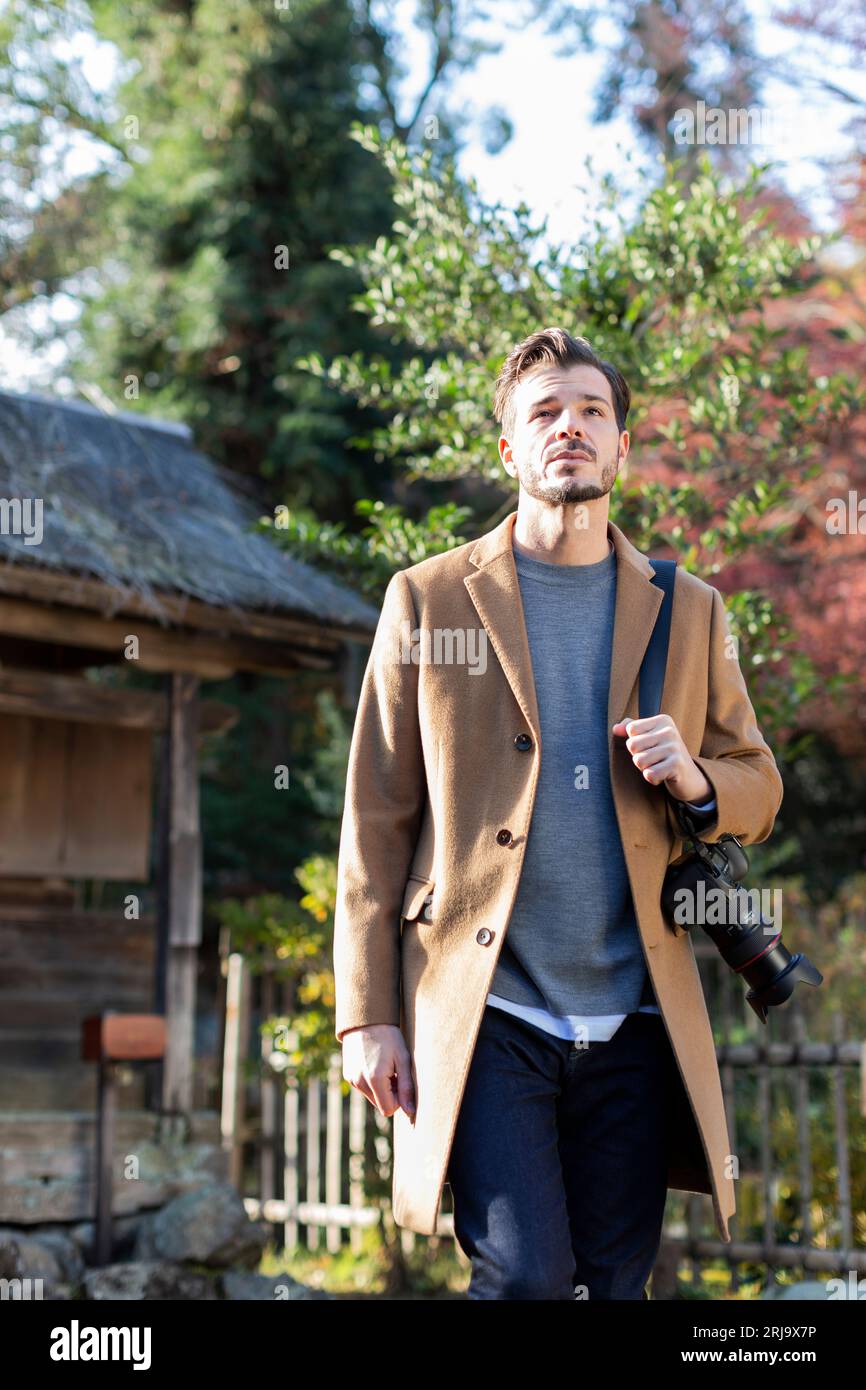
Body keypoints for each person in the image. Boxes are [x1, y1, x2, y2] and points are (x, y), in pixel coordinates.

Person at [334, 327, 784, 1299]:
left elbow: (758, 782)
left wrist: (698, 779)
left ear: (621, 444)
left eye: (591, 411)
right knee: (526, 1276)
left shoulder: (687, 606)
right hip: (487, 1004)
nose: (569, 427)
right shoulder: (427, 599)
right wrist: (363, 1013)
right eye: (543, 411)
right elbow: (373, 816)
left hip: (632, 1009)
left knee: (615, 1282)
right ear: (508, 447)